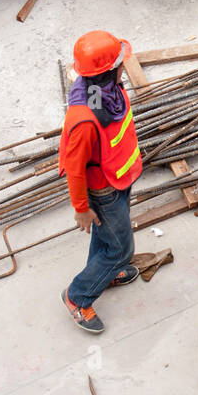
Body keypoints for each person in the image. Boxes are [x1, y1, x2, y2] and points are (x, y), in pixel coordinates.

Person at [56, 30, 143, 334]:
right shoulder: (83, 120)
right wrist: (81, 208)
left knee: (109, 238)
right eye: (120, 63)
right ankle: (78, 296)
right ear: (107, 71)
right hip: (103, 190)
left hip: (119, 178)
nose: (125, 67)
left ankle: (104, 273)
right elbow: (75, 168)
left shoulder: (103, 91)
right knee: (121, 249)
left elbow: (111, 132)